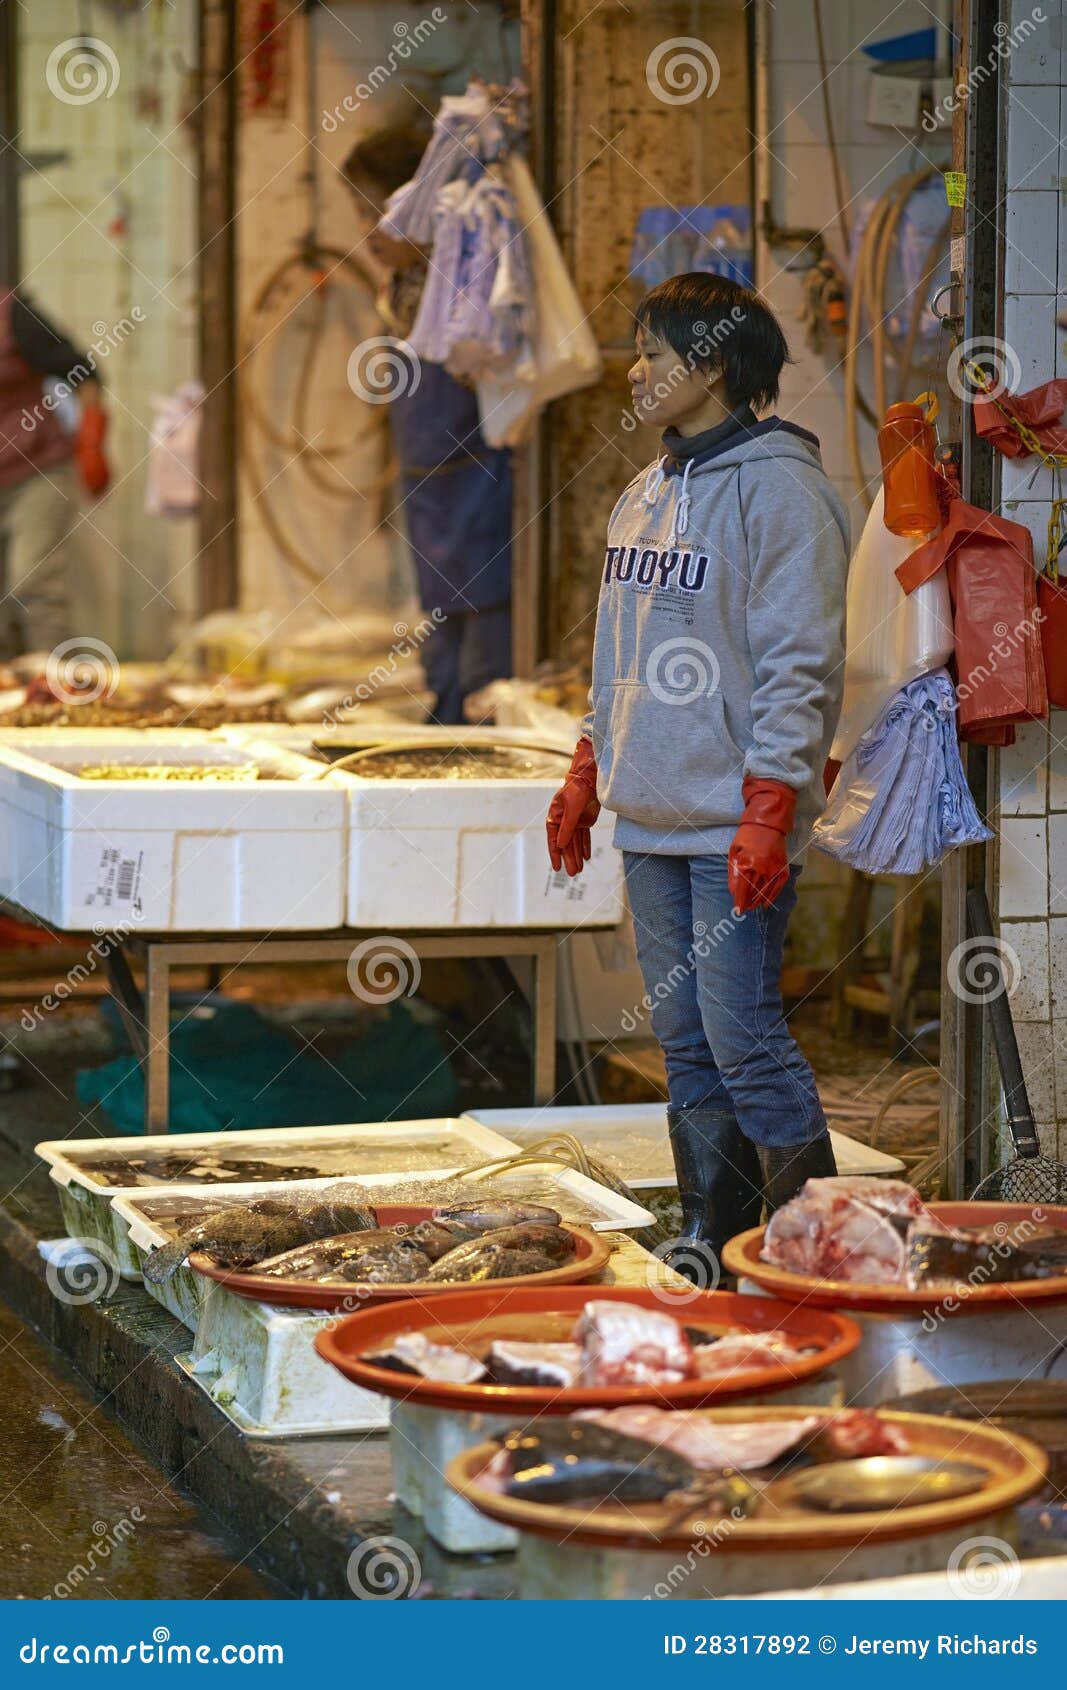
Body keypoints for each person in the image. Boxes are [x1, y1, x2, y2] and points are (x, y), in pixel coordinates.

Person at [547, 272, 849, 1279]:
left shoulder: (781, 490)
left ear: (713, 363)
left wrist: (770, 806)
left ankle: (810, 1247)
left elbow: (798, 660)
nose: (636, 371)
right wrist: (588, 768)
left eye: (653, 352)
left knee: (743, 1036)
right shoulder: (647, 488)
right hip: (649, 818)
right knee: (681, 1041)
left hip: (729, 822)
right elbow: (614, 656)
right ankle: (710, 1238)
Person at [343, 126, 513, 725]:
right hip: (426, 481)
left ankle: (480, 738)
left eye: (375, 214)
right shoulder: (400, 288)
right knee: (439, 622)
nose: (367, 235)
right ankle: (445, 726)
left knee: (484, 636)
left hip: (477, 477)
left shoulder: (462, 284)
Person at [0, 288, 109, 655]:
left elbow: (83, 372)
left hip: (35, 469)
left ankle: (55, 694)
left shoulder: (12, 316)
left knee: (32, 583)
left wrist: (91, 438)